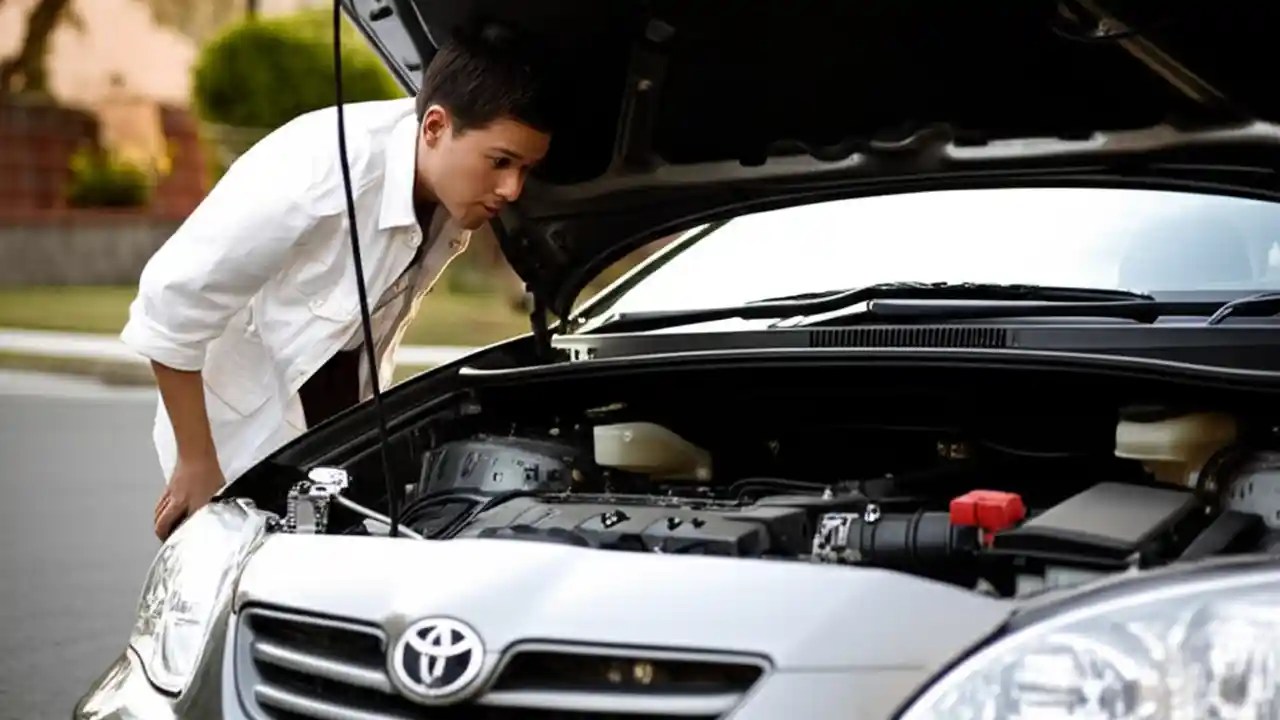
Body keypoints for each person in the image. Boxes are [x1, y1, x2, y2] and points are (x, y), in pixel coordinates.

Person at [121, 29, 556, 541]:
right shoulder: (313, 180)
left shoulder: (445, 182)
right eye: (500, 162)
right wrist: (197, 463)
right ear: (435, 126)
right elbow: (170, 304)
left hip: (340, 436)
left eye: (525, 169)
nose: (512, 189)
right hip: (238, 456)